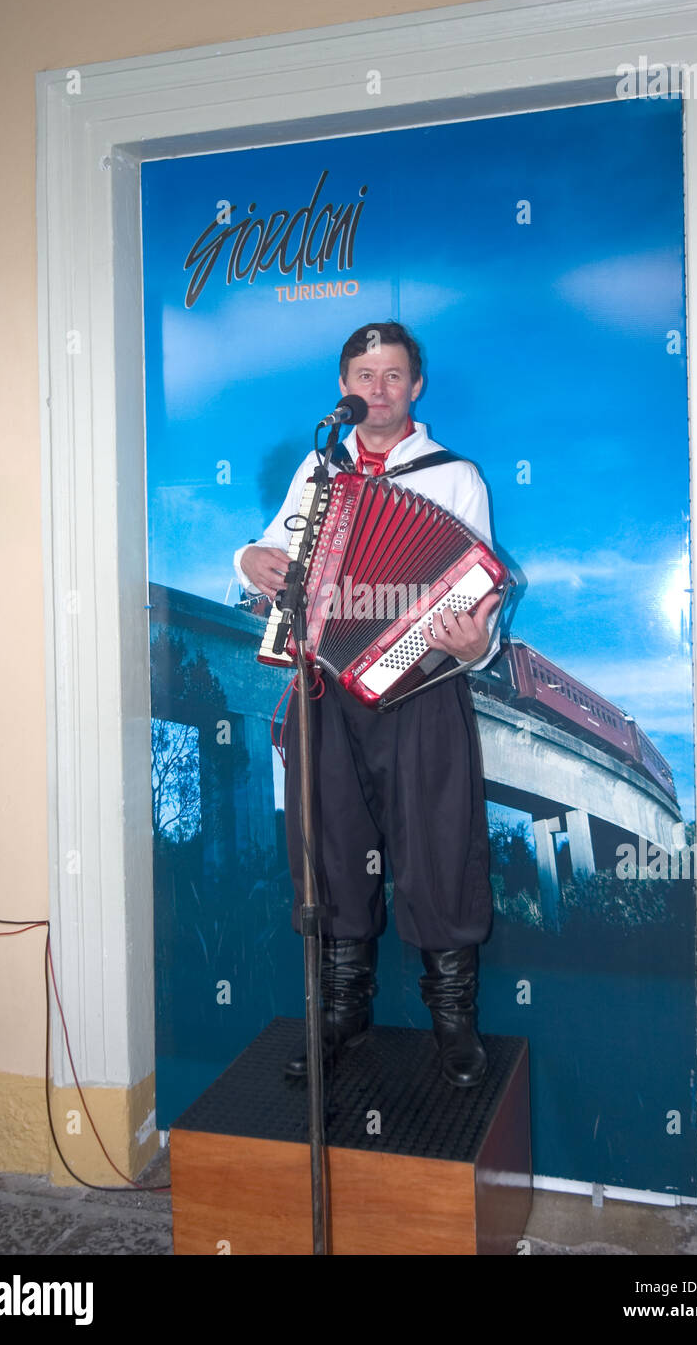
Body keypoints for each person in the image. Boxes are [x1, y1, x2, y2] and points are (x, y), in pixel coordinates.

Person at [234, 321, 501, 1088]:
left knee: (440, 848)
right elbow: (266, 560)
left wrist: (470, 645)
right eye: (362, 375)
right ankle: (340, 1013)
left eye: (391, 376)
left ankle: (454, 1023)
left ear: (416, 387)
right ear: (343, 389)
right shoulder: (316, 470)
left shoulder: (455, 477)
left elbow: (479, 597)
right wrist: (246, 559)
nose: (376, 390)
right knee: (331, 847)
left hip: (423, 689)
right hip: (324, 686)